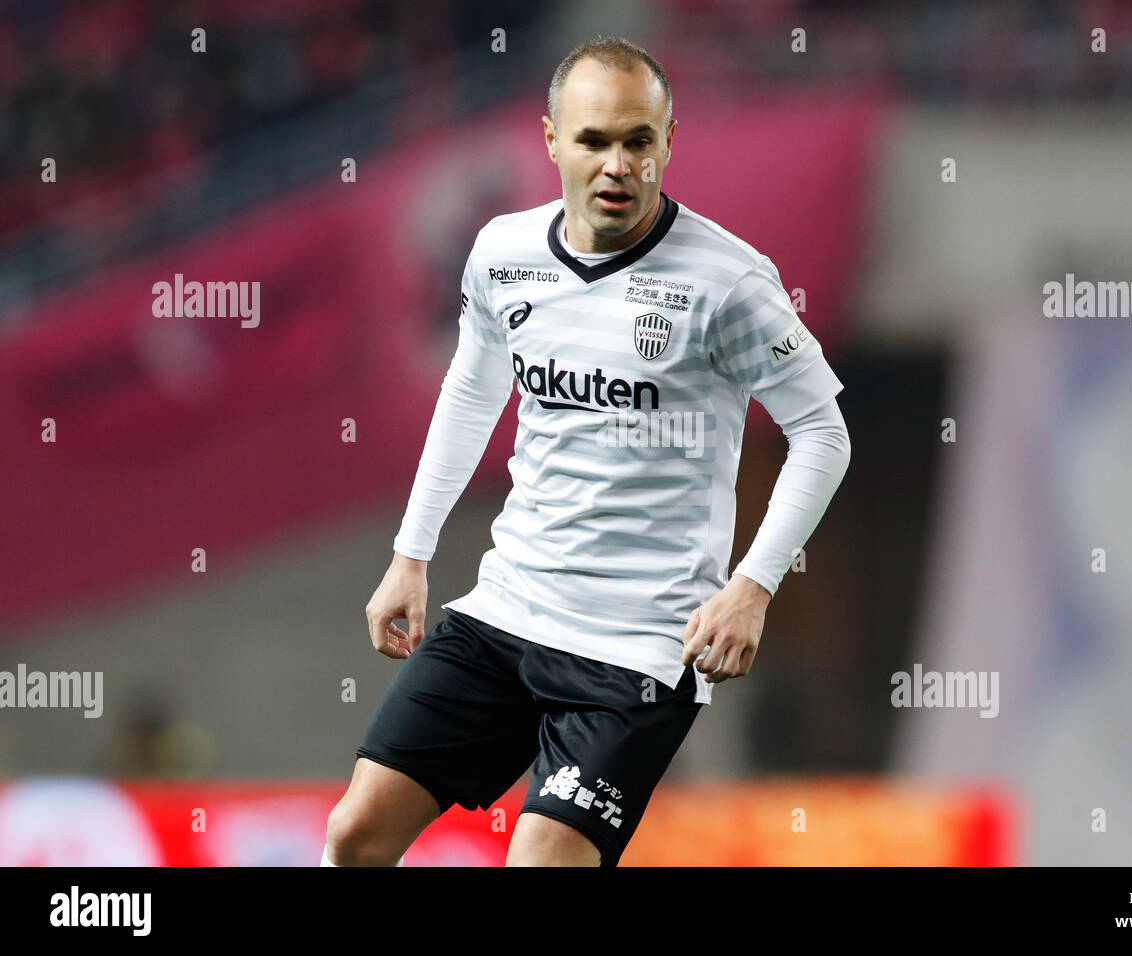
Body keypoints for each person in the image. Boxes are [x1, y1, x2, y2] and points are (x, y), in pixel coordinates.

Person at [322, 35, 851, 867]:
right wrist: (410, 553)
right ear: (551, 140)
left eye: (639, 141)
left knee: (540, 859)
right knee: (356, 831)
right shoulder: (503, 254)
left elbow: (823, 433)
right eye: (595, 141)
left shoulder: (729, 282)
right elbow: (471, 391)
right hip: (508, 606)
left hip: (639, 646)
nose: (617, 165)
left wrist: (752, 587)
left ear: (668, 143)